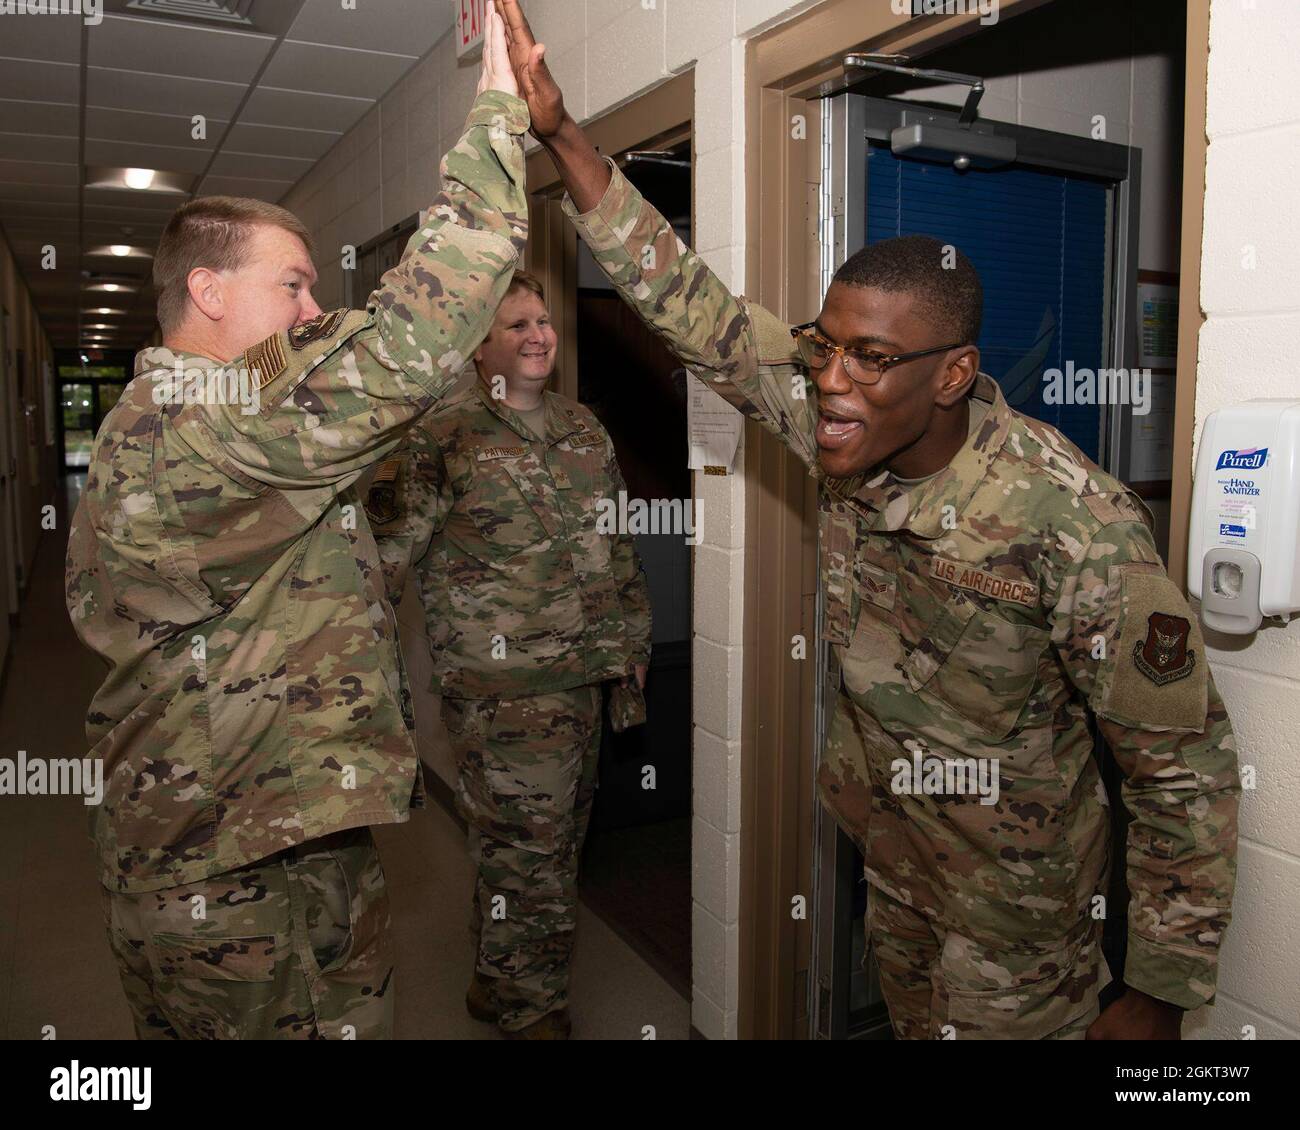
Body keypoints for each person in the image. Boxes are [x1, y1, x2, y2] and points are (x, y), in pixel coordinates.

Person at [493, 0, 1240, 1040]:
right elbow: (695, 310)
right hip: (893, 870)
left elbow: (1182, 768)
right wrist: (564, 136)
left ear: (954, 375)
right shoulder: (834, 424)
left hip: (1017, 927)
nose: (832, 380)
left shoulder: (1072, 523)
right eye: (825, 345)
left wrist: (1155, 990)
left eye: (872, 358)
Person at [64, 2, 530, 1040]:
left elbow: (340, 507)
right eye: (293, 284)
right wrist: (499, 106)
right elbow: (411, 340)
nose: (312, 309)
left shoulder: (231, 402)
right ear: (207, 291)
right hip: (216, 857)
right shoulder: (192, 426)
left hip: (293, 817)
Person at [367, 269, 651, 1040]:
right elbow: (380, 569)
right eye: (516, 324)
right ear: (479, 344)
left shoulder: (581, 429)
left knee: (551, 847)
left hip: (584, 679)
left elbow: (617, 544)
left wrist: (632, 638)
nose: (538, 336)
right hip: (502, 694)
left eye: (544, 321)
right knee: (529, 857)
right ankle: (532, 1010)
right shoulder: (438, 439)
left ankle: (498, 981)